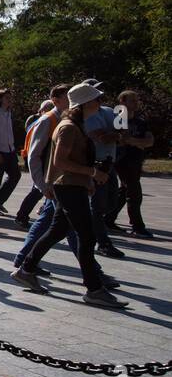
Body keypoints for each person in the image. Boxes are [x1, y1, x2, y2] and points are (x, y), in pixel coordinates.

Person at [13, 82, 127, 309]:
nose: (100, 103)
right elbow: (60, 162)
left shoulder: (77, 125)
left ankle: (26, 269)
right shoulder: (68, 127)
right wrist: (92, 173)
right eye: (96, 99)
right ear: (85, 103)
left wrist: (87, 181)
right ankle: (94, 289)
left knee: (57, 230)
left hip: (72, 186)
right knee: (87, 236)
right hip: (67, 187)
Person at [12, 85, 79, 276]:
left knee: (50, 223)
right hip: (53, 183)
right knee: (72, 227)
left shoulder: (67, 119)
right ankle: (94, 275)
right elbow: (33, 156)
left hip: (63, 181)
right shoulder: (47, 120)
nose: (72, 102)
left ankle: (24, 260)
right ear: (56, 100)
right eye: (68, 98)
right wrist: (41, 185)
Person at [83, 85, 124, 259]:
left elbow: (122, 133)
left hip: (109, 163)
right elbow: (101, 137)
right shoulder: (87, 115)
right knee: (97, 207)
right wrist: (114, 134)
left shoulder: (109, 111)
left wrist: (114, 134)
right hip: (95, 164)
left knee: (111, 202)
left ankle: (90, 228)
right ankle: (102, 243)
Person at [108, 89, 154, 237]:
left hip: (136, 160)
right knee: (134, 193)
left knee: (123, 192)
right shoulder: (118, 118)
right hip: (122, 161)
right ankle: (137, 226)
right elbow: (120, 139)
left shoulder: (140, 120)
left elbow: (149, 141)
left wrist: (133, 141)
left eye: (136, 100)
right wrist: (136, 142)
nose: (136, 103)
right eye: (132, 100)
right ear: (122, 101)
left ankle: (108, 219)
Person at [14, 99, 57, 228]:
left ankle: (33, 213)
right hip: (40, 162)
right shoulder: (42, 121)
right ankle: (21, 216)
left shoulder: (45, 120)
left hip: (44, 162)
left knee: (40, 192)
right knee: (37, 191)